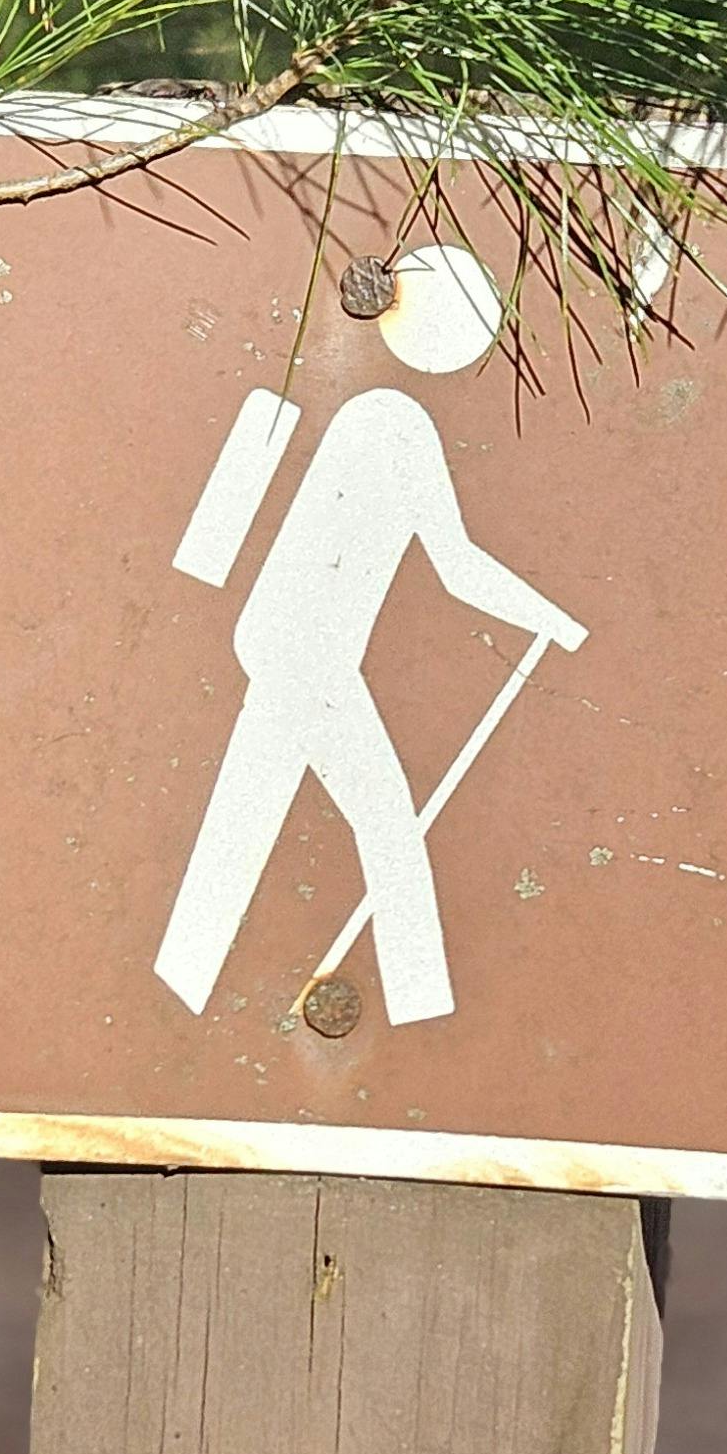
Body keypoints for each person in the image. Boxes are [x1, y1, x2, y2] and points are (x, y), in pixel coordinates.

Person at [155, 248, 584, 1026]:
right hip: (308, 656)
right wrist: (550, 618)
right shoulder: (398, 426)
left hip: (285, 644)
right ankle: (419, 1003)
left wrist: (545, 617)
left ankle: (182, 976)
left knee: (247, 817)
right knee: (386, 820)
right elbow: (456, 564)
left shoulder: (372, 414)